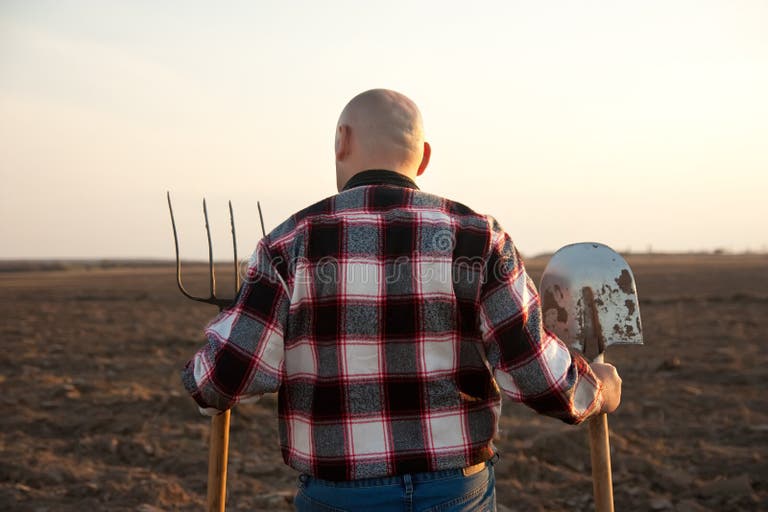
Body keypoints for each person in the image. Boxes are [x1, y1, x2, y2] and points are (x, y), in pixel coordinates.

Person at [182, 88, 622, 511]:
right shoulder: (479, 238)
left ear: (341, 142)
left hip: (339, 496)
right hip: (455, 491)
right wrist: (596, 389)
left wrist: (205, 386)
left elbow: (227, 376)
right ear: (424, 157)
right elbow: (533, 373)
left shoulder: (287, 244)